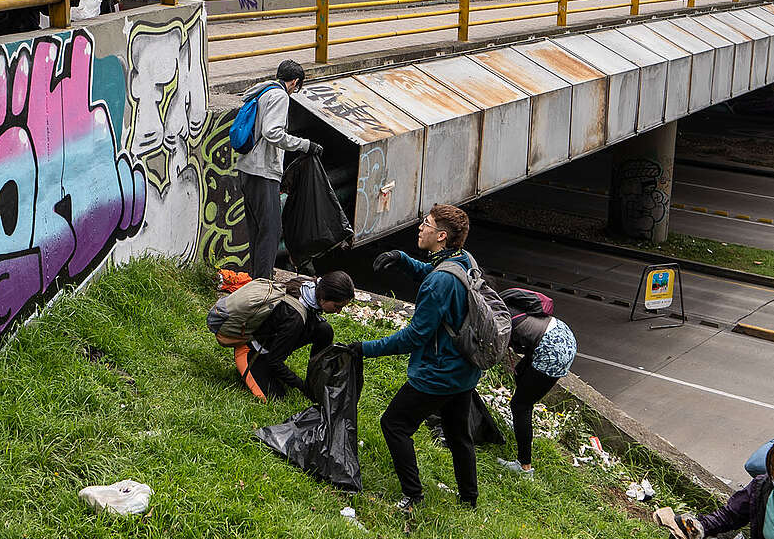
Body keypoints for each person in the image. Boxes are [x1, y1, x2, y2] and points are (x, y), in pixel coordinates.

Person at [358, 204, 487, 511]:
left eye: (426, 224)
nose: (420, 227)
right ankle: (469, 499)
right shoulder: (463, 259)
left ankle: (412, 496)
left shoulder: (439, 282)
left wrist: (365, 348)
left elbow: (415, 336)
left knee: (394, 424)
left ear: (441, 236)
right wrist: (401, 259)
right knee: (459, 434)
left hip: (438, 374)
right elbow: (436, 274)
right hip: (465, 370)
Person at [235, 58, 320, 279]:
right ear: (295, 82)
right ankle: (263, 281)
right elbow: (272, 133)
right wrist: (305, 145)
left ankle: (257, 277)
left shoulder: (262, 92)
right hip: (262, 172)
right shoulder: (280, 96)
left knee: (256, 228)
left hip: (246, 168)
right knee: (271, 230)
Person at [211, 271, 356, 399]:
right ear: (323, 298)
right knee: (276, 397)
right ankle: (249, 367)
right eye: (337, 306)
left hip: (274, 338)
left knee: (324, 330)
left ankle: (316, 379)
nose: (338, 311)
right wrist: (303, 387)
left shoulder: (309, 286)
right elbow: (274, 362)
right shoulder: (295, 319)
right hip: (251, 350)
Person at [497, 305, 577, 478]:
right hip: (563, 333)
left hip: (552, 349)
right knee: (520, 374)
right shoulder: (505, 306)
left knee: (520, 405)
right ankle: (521, 426)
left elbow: (492, 351)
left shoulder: (499, 320)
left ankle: (524, 467)